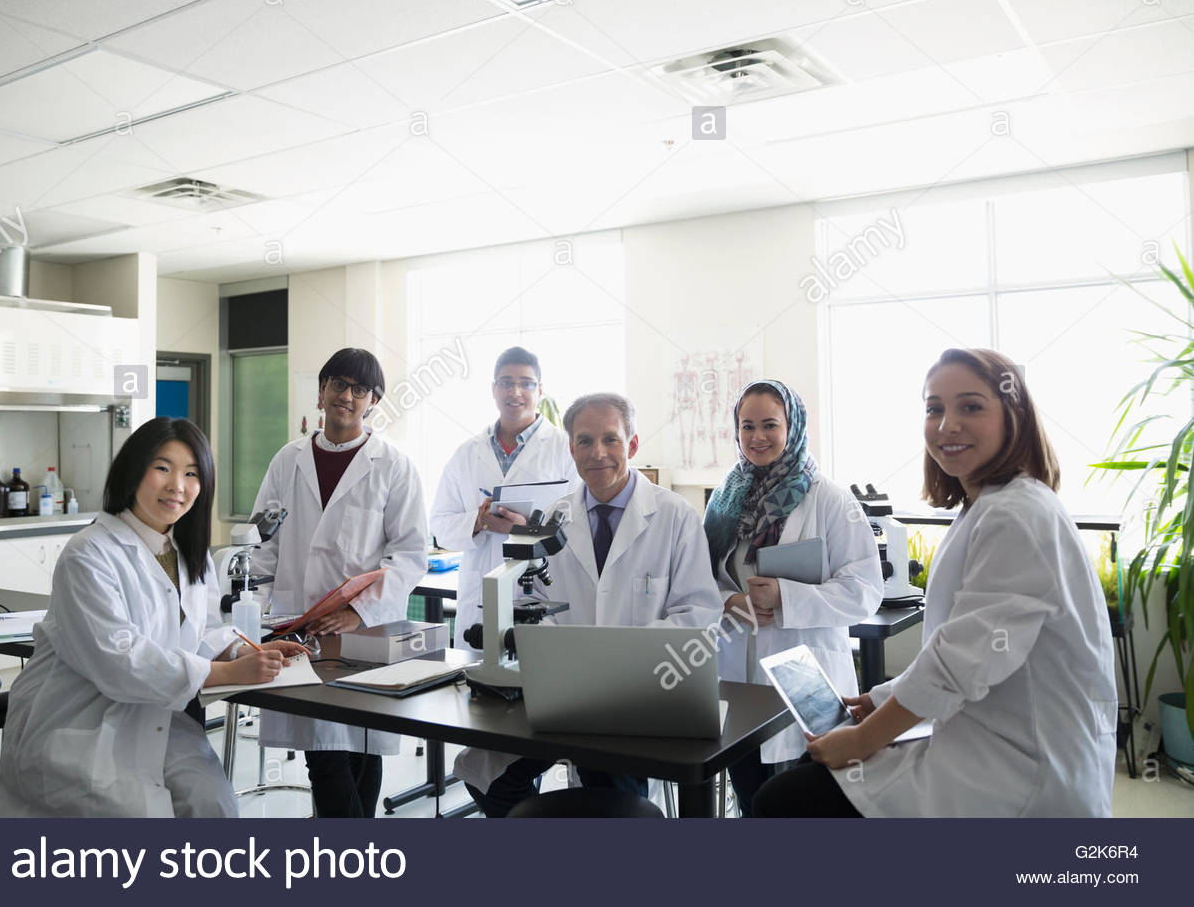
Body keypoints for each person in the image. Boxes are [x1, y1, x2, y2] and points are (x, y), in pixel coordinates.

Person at [754, 348, 1117, 817]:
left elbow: (959, 662)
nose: (947, 425)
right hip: (984, 741)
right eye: (934, 408)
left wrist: (864, 739)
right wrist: (876, 699)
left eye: (970, 406)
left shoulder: (1016, 515)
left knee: (785, 800)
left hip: (1019, 769)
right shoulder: (988, 506)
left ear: (1015, 417)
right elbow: (952, 648)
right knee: (801, 784)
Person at [0, 417, 304, 818]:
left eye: (191, 473)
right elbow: (119, 660)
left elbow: (203, 629)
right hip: (82, 719)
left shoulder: (187, 552)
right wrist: (228, 674)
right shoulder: (89, 553)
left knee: (215, 805)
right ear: (133, 471)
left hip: (156, 719)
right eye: (163, 468)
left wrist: (246, 650)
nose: (178, 485)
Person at [454, 392, 722, 816]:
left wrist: (619, 663)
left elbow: (699, 613)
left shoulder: (674, 516)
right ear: (571, 448)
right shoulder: (555, 517)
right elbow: (529, 600)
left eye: (610, 440)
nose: (598, 453)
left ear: (631, 445)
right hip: (563, 691)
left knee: (607, 778)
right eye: (584, 441)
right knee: (483, 767)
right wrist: (554, 654)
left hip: (641, 690)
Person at [250, 348, 428, 817]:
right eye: (338, 384)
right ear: (322, 389)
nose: (346, 396)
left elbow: (410, 555)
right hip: (298, 630)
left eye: (359, 389)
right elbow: (263, 542)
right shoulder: (286, 461)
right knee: (325, 754)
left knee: (364, 750)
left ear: (373, 400)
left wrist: (358, 612)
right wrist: (259, 613)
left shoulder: (393, 465)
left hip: (364, 634)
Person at [702, 379, 883, 814]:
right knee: (749, 796)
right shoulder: (725, 500)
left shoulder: (831, 500)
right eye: (747, 426)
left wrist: (786, 596)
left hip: (806, 673)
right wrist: (726, 600)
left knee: (795, 802)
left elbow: (865, 590)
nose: (757, 437)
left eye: (770, 424)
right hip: (736, 672)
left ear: (793, 427)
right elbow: (697, 576)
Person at [429, 346, 577, 650]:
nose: (516, 391)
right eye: (506, 382)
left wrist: (522, 529)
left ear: (540, 390)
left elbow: (579, 529)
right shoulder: (466, 453)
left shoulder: (566, 450)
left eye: (526, 383)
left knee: (538, 686)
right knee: (475, 686)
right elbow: (440, 524)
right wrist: (478, 521)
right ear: (493, 389)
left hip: (541, 592)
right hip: (479, 593)